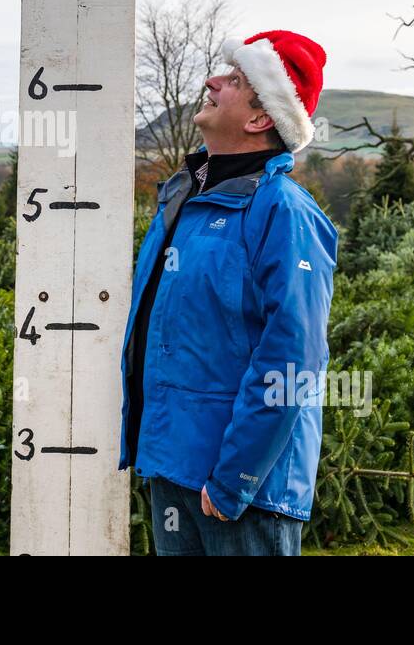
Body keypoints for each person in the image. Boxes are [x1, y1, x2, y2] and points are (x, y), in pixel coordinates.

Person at [118, 29, 338, 555]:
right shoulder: (184, 197)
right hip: (174, 466)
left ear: (262, 118)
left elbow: (294, 358)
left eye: (235, 80)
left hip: (238, 488)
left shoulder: (284, 214)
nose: (213, 81)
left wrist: (236, 476)